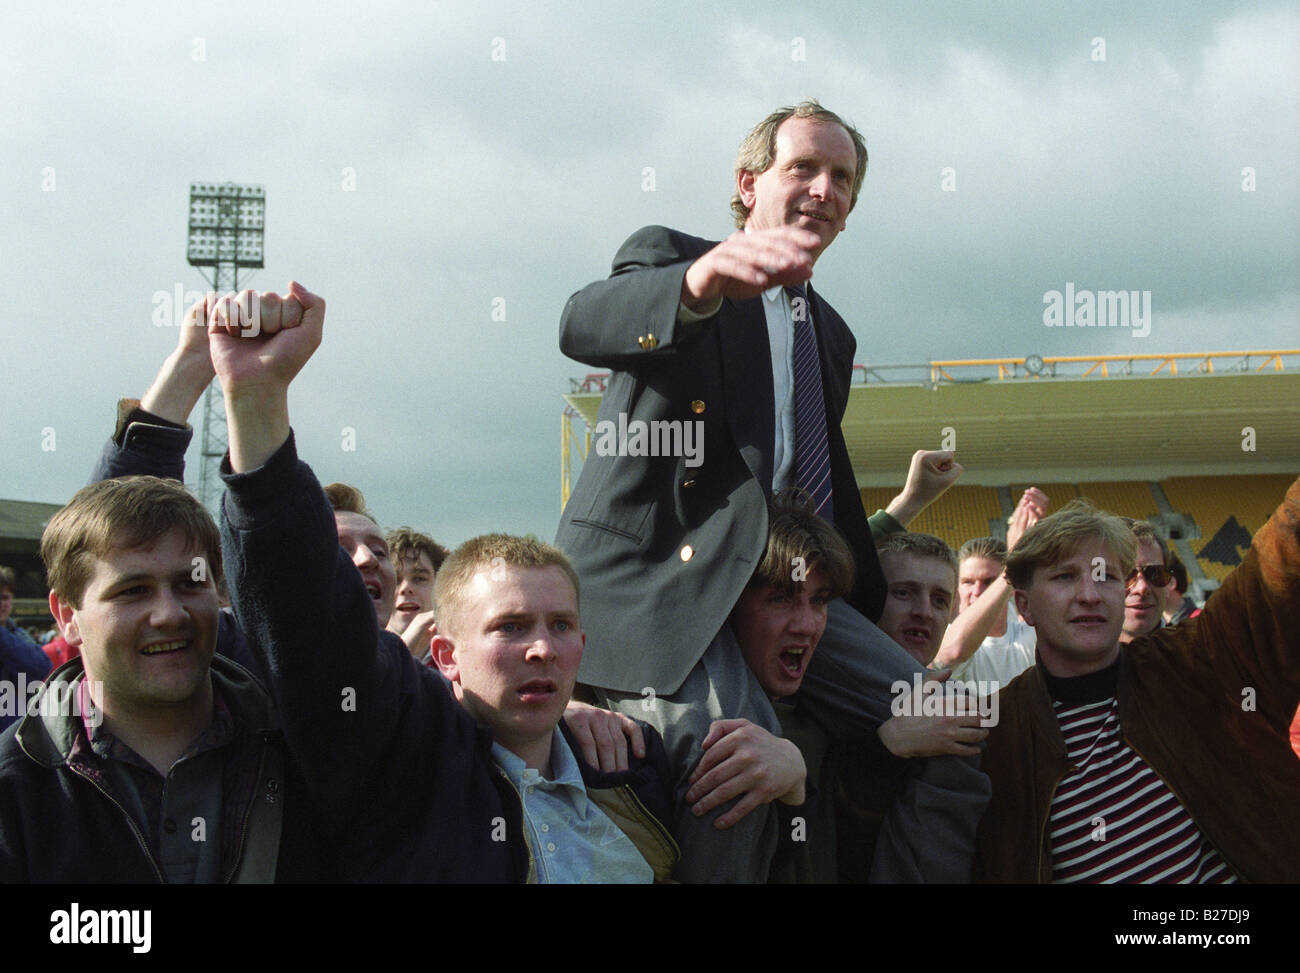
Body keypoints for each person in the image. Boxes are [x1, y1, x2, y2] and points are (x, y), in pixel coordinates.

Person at [556, 99, 987, 881]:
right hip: (667, 582)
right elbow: (583, 323)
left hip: (786, 587)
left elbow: (819, 491)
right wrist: (698, 283)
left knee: (956, 723)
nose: (826, 188)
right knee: (741, 753)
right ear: (749, 184)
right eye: (805, 168)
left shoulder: (832, 332)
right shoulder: (674, 258)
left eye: (843, 178)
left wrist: (869, 590)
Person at [209, 282, 676, 882]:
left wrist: (789, 771)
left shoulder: (631, 763)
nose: (542, 647)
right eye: (509, 627)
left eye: (560, 625)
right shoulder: (404, 751)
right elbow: (308, 620)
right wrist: (257, 398)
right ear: (446, 655)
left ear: (582, 647)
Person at [0, 475, 315, 882]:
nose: (170, 614)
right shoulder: (16, 788)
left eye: (189, 584)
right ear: (66, 617)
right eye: (133, 590)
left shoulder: (295, 753)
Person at [974, 491, 1300, 882]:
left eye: (1107, 577)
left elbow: (1277, 564)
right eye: (1064, 577)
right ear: (1024, 606)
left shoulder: (1188, 664)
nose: (1090, 595)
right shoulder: (994, 736)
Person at [385, 527, 447, 661]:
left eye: (419, 578)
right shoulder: (355, 654)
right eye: (396, 580)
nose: (406, 588)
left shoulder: (459, 658)